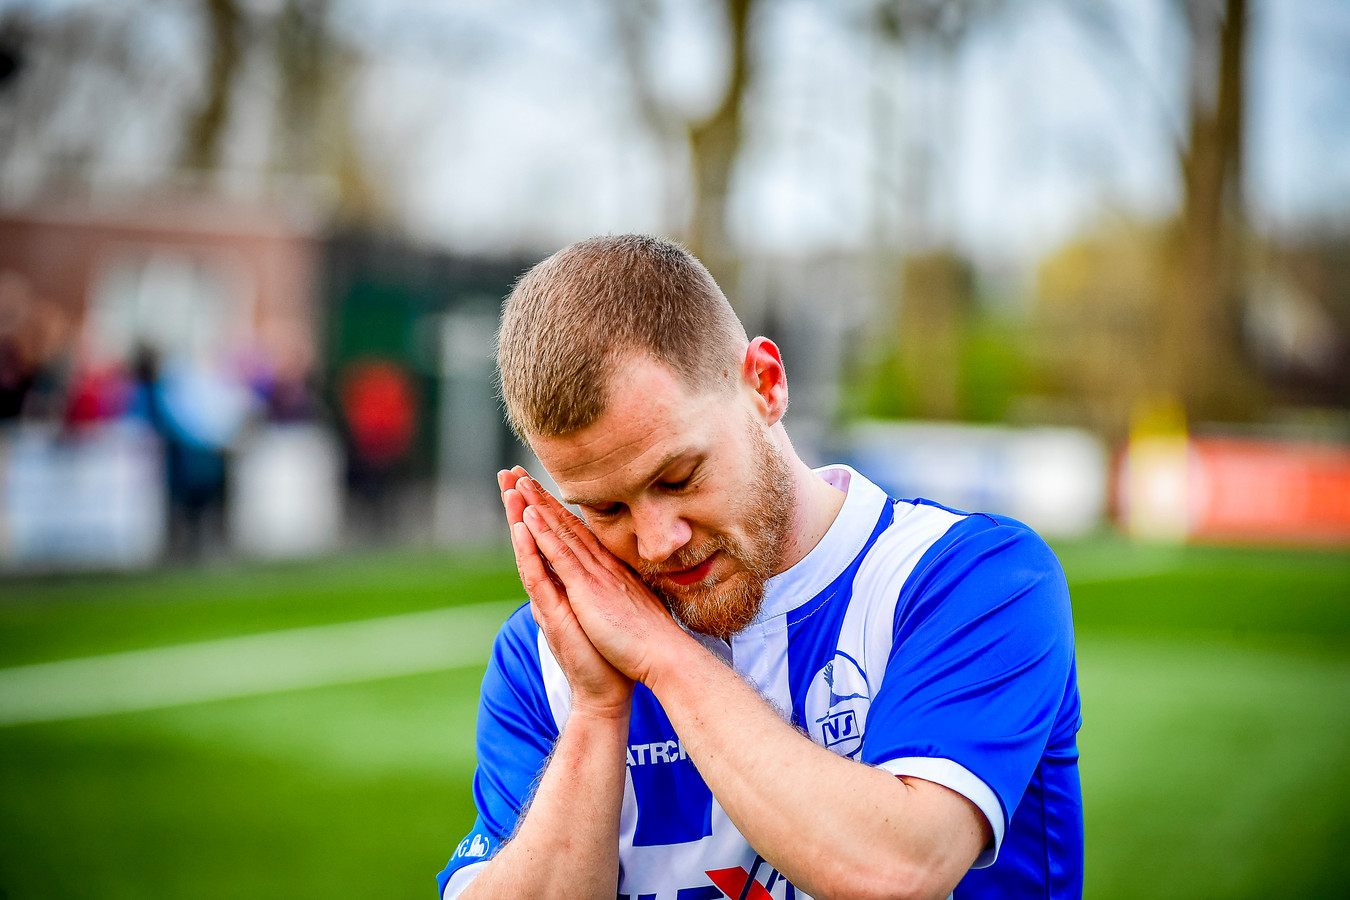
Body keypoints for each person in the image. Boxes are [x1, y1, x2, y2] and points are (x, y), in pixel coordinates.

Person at [437, 235, 1082, 900]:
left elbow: (899, 871)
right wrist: (598, 711)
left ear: (766, 385)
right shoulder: (545, 657)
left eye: (679, 477)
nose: (657, 544)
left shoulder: (972, 577)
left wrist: (663, 656)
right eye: (606, 509)